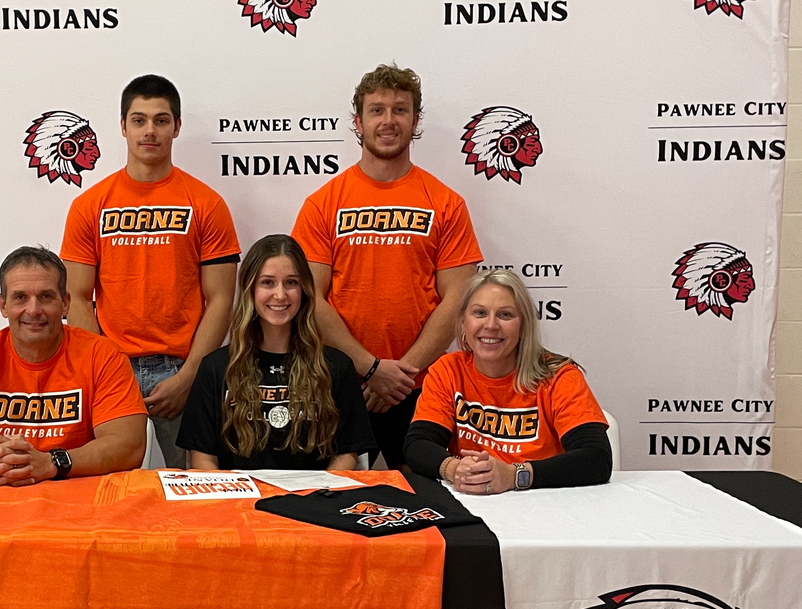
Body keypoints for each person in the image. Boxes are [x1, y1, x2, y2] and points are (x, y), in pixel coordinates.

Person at [292, 63, 483, 468]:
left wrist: (400, 376)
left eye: (400, 109)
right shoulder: (324, 203)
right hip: (340, 382)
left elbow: (458, 301)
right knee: (329, 501)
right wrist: (370, 368)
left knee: (426, 507)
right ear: (358, 121)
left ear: (415, 121)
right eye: (377, 110)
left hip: (419, 387)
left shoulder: (445, 203)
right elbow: (310, 297)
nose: (388, 120)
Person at [60, 74, 240, 469]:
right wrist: (106, 369)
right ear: (122, 126)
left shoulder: (206, 204)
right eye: (139, 120)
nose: (149, 131)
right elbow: (75, 297)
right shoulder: (90, 205)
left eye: (161, 120)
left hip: (183, 369)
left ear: (177, 127)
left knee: (196, 488)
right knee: (107, 489)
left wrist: (191, 374)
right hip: (113, 365)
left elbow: (222, 298)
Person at [0, 247, 148, 485]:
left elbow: (129, 445)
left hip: (75, 496)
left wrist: (52, 463)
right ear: (3, 306)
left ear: (65, 303)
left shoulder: (103, 356)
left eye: (46, 296)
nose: (33, 310)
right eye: (20, 297)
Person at [177, 235, 376, 471]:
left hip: (311, 502)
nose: (280, 295)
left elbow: (346, 455)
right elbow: (202, 459)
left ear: (305, 289)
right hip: (238, 503)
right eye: (268, 283)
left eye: (291, 282)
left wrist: (315, 499)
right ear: (250, 289)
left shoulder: (336, 366)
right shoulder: (216, 368)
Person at [404, 269, 611, 493]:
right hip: (474, 505)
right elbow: (417, 445)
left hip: (546, 504)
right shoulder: (448, 370)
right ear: (463, 323)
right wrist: (454, 469)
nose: (491, 325)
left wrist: (514, 475)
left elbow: (596, 458)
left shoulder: (559, 376)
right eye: (480, 313)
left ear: (523, 327)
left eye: (505, 315)